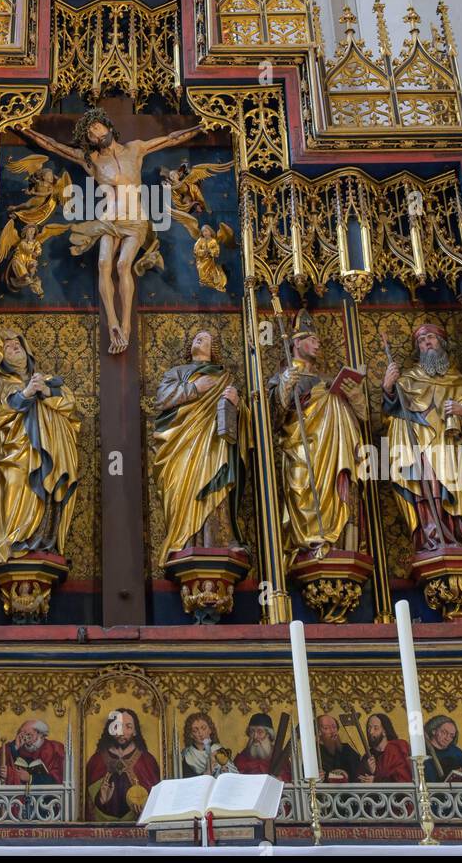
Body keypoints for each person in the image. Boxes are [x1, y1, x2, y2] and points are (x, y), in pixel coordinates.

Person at [25, 107, 201, 352]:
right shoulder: (93, 161)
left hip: (135, 218)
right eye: (90, 134)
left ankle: (126, 325)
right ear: (89, 141)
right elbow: (54, 146)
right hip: (109, 217)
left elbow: (170, 139)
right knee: (103, 265)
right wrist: (22, 128)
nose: (95, 134)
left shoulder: (135, 149)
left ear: (107, 126)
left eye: (97, 127)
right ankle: (113, 324)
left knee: (122, 265)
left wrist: (201, 127)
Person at [383, 323, 462, 552]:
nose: (427, 343)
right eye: (422, 340)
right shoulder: (408, 379)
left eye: (431, 338)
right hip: (424, 447)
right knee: (429, 488)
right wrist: (388, 387)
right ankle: (434, 538)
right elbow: (391, 415)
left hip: (453, 445)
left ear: (442, 343)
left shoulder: (457, 378)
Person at [269, 311, 367, 563]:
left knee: (340, 488)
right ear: (296, 343)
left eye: (318, 340)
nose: (317, 343)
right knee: (302, 489)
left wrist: (354, 397)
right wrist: (283, 388)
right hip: (301, 451)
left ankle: (340, 541)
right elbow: (270, 421)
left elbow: (363, 419)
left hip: (336, 452)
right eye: (311, 339)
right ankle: (309, 544)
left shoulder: (328, 380)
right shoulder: (285, 377)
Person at [0, 328, 81, 566]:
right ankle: (14, 543)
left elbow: (70, 405)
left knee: (49, 490)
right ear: (0, 358)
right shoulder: (1, 384)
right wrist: (27, 393)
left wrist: (46, 391)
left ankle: (44, 541)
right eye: (7, 346)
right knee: (18, 487)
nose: (14, 346)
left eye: (17, 343)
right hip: (17, 452)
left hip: (52, 452)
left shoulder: (48, 379)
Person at [152, 327, 249, 564]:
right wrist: (195, 388)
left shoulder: (225, 378)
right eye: (196, 337)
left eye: (205, 338)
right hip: (182, 443)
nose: (198, 339)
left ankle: (220, 540)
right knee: (184, 486)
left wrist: (237, 403)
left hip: (214, 443)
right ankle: (186, 542)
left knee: (215, 481)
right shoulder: (177, 372)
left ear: (213, 349)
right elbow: (162, 399)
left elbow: (243, 418)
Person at [85, 709, 160, 822]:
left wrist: (144, 806)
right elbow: (87, 802)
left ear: (135, 731)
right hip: (102, 828)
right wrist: (100, 799)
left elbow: (156, 797)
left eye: (128, 727)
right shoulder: (96, 760)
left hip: (138, 829)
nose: (122, 732)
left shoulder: (147, 760)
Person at [2, 719, 66, 786]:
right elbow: (0, 757)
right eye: (22, 734)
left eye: (29, 735)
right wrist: (15, 746)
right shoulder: (18, 745)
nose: (25, 739)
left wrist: (30, 778)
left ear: (41, 735)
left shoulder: (55, 748)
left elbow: (59, 779)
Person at [234, 713, 292, 780]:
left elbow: (288, 776)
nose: (255, 736)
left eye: (260, 732)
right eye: (252, 731)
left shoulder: (280, 756)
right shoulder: (243, 755)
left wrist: (280, 779)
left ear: (268, 734)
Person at [358, 713, 412, 784]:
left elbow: (403, 779)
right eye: (369, 728)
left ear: (384, 731)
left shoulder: (396, 750)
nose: (371, 732)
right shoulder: (367, 757)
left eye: (375, 728)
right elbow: (359, 778)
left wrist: (376, 779)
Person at [180, 712, 237, 778]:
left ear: (210, 730)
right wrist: (207, 772)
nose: (200, 733)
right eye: (195, 730)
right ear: (190, 734)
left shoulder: (219, 750)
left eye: (203, 728)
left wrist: (224, 770)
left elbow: (233, 775)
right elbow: (187, 781)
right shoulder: (187, 755)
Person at [317, 713, 361, 783]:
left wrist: (330, 776)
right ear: (319, 732)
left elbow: (356, 772)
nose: (332, 731)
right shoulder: (314, 753)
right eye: (326, 728)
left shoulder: (347, 749)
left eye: (334, 727)